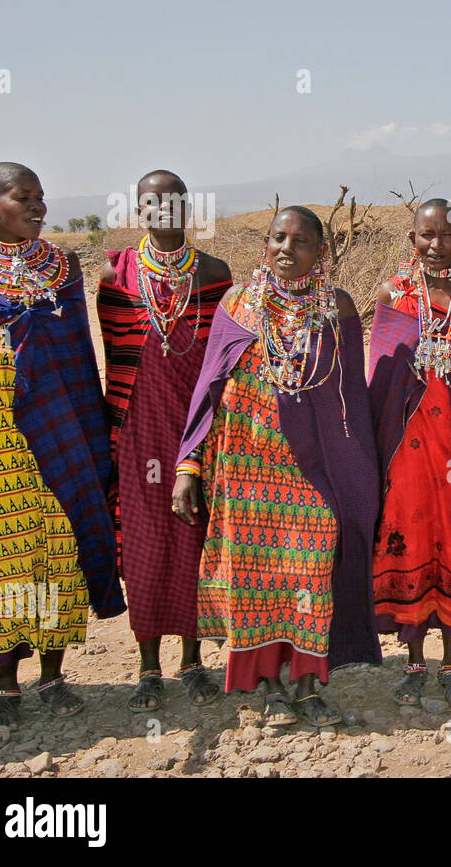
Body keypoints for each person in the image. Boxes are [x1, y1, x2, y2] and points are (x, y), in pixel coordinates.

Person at [172, 206, 380, 727]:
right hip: (244, 468)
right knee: (254, 577)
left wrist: (356, 472)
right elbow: (208, 388)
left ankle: (308, 684)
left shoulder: (337, 307)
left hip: (313, 470)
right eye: (278, 238)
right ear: (265, 244)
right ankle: (266, 685)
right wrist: (188, 465)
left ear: (322, 251)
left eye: (301, 241)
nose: (287, 249)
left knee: (311, 568)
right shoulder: (238, 303)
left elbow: (349, 396)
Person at [0, 162, 125, 727]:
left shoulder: (62, 267)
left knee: (60, 546)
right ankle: (5, 682)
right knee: (5, 557)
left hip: (63, 421)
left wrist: (92, 424)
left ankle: (53, 675)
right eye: (23, 198)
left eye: (41, 198)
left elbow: (78, 348)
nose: (38, 207)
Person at [97, 169, 232, 712]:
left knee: (194, 542)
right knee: (147, 548)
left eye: (174, 200)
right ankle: (148, 666)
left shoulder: (215, 273)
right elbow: (113, 356)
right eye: (152, 201)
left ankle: (193, 661)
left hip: (199, 427)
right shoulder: (115, 274)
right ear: (138, 210)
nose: (164, 209)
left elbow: (225, 361)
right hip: (136, 429)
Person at [368, 200, 451, 707]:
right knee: (411, 544)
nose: (435, 245)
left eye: (446, 235)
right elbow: (378, 379)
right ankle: (415, 661)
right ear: (411, 238)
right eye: (426, 235)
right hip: (407, 453)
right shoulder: (392, 295)